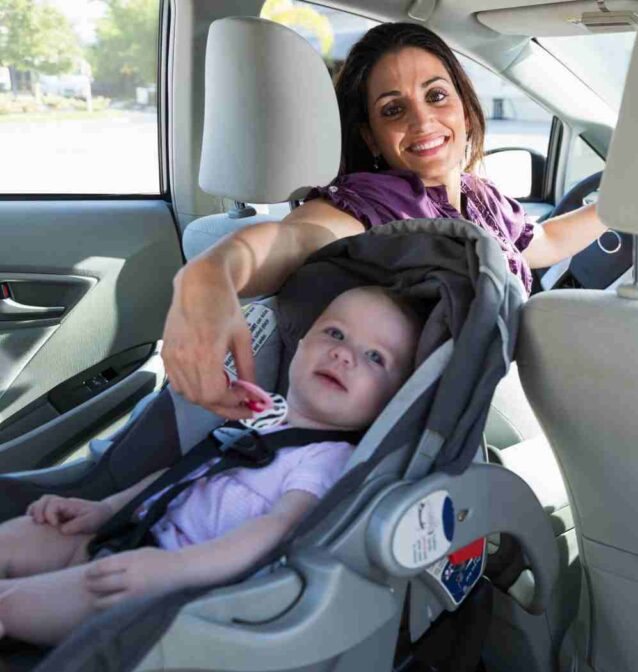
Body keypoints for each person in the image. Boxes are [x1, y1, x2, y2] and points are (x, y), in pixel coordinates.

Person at [162, 22, 606, 420]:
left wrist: (621, 206)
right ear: (371, 137)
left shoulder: (479, 196)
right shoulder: (373, 202)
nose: (422, 120)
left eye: (436, 96)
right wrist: (210, 275)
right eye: (393, 109)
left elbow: (542, 240)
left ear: (466, 112)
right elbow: (297, 237)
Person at [0, 286, 421, 646]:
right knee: (21, 537)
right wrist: (106, 509)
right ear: (301, 342)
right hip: (129, 531)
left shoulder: (329, 458)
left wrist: (171, 570)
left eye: (375, 358)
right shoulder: (265, 416)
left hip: (167, 588)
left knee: (11, 604)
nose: (343, 354)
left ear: (391, 401)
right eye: (334, 333)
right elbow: (184, 473)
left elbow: (277, 529)